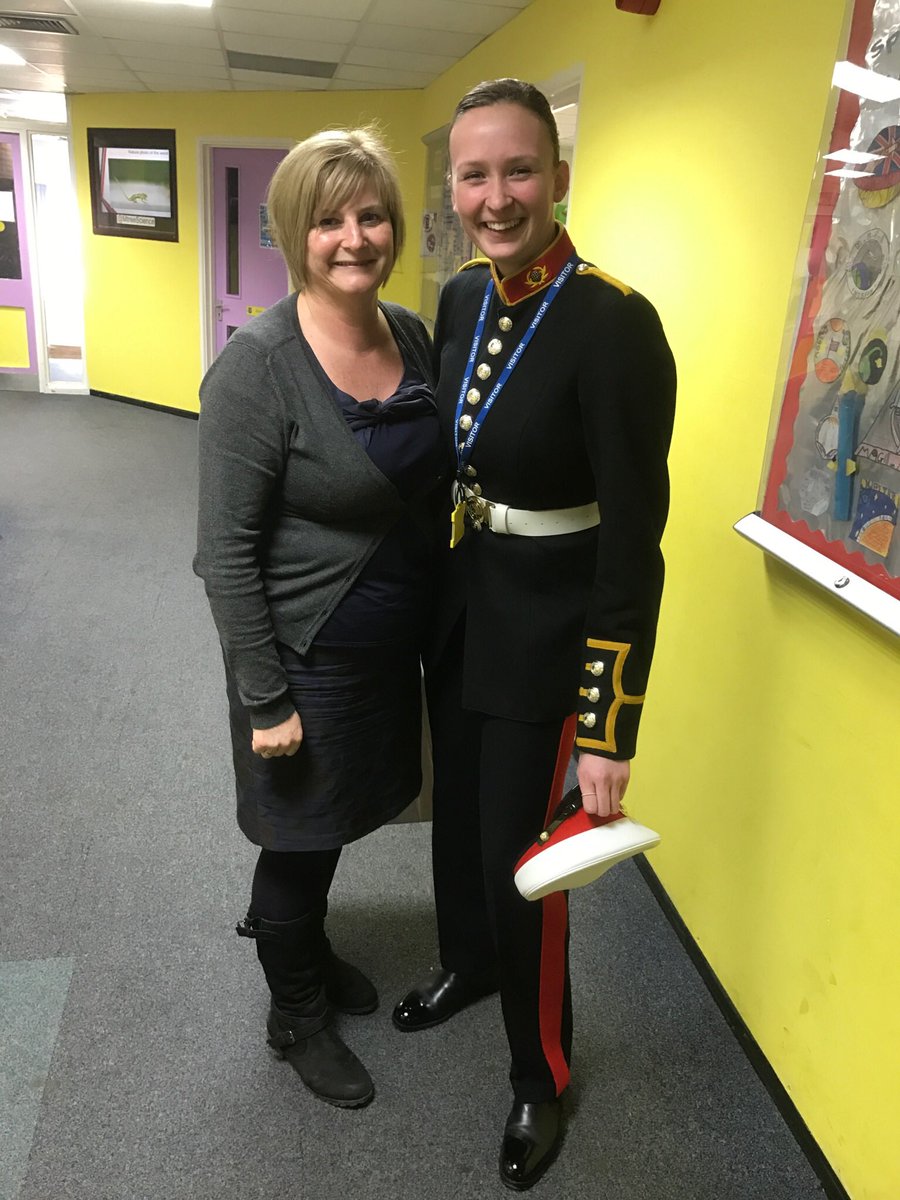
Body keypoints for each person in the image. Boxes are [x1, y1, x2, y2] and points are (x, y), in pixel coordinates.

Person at [392, 80, 676, 1188]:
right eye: (475, 175)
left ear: (558, 177)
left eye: (519, 171)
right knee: (458, 824)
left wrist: (607, 731)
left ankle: (539, 1073)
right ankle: (467, 964)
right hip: (467, 601)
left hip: (550, 632)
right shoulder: (464, 295)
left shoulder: (614, 322)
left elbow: (634, 543)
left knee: (525, 863)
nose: (496, 197)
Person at [193, 127, 443, 1110]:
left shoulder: (409, 335)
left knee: (332, 827)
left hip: (385, 650)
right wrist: (265, 700)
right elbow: (224, 555)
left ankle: (310, 952)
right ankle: (294, 1014)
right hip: (303, 656)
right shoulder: (257, 367)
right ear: (295, 233)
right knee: (295, 841)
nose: (354, 237)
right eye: (328, 219)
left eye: (371, 215)